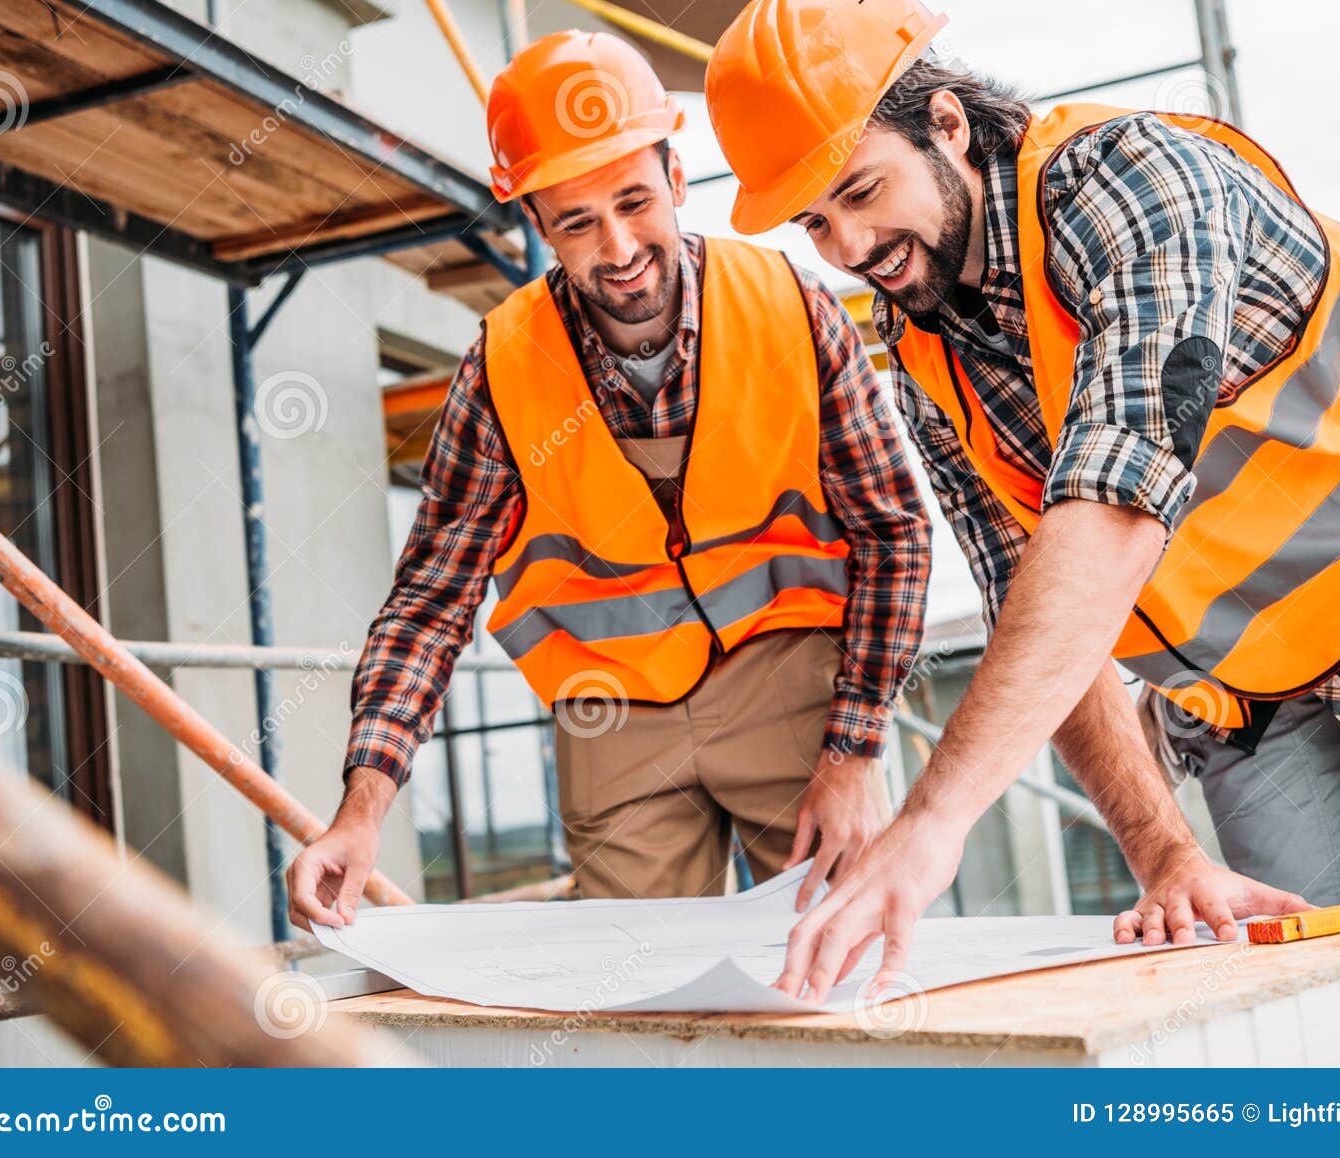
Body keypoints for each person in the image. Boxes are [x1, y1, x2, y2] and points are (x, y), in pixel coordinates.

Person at [705, 0, 1340, 1002]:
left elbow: (1115, 506)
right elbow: (1035, 611)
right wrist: (1164, 855)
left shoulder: (1135, 183)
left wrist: (929, 825)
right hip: (1245, 694)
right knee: (1312, 994)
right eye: (813, 222)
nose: (847, 246)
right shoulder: (923, 353)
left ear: (947, 125)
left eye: (859, 191)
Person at [287, 30, 931, 930]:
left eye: (634, 200)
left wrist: (855, 751)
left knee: (842, 953)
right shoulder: (503, 369)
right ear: (538, 225)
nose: (619, 246)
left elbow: (893, 529)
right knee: (642, 988)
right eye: (578, 222)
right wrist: (361, 813)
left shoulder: (793, 308)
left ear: (676, 177)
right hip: (614, 718)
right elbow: (431, 603)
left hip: (794, 694)